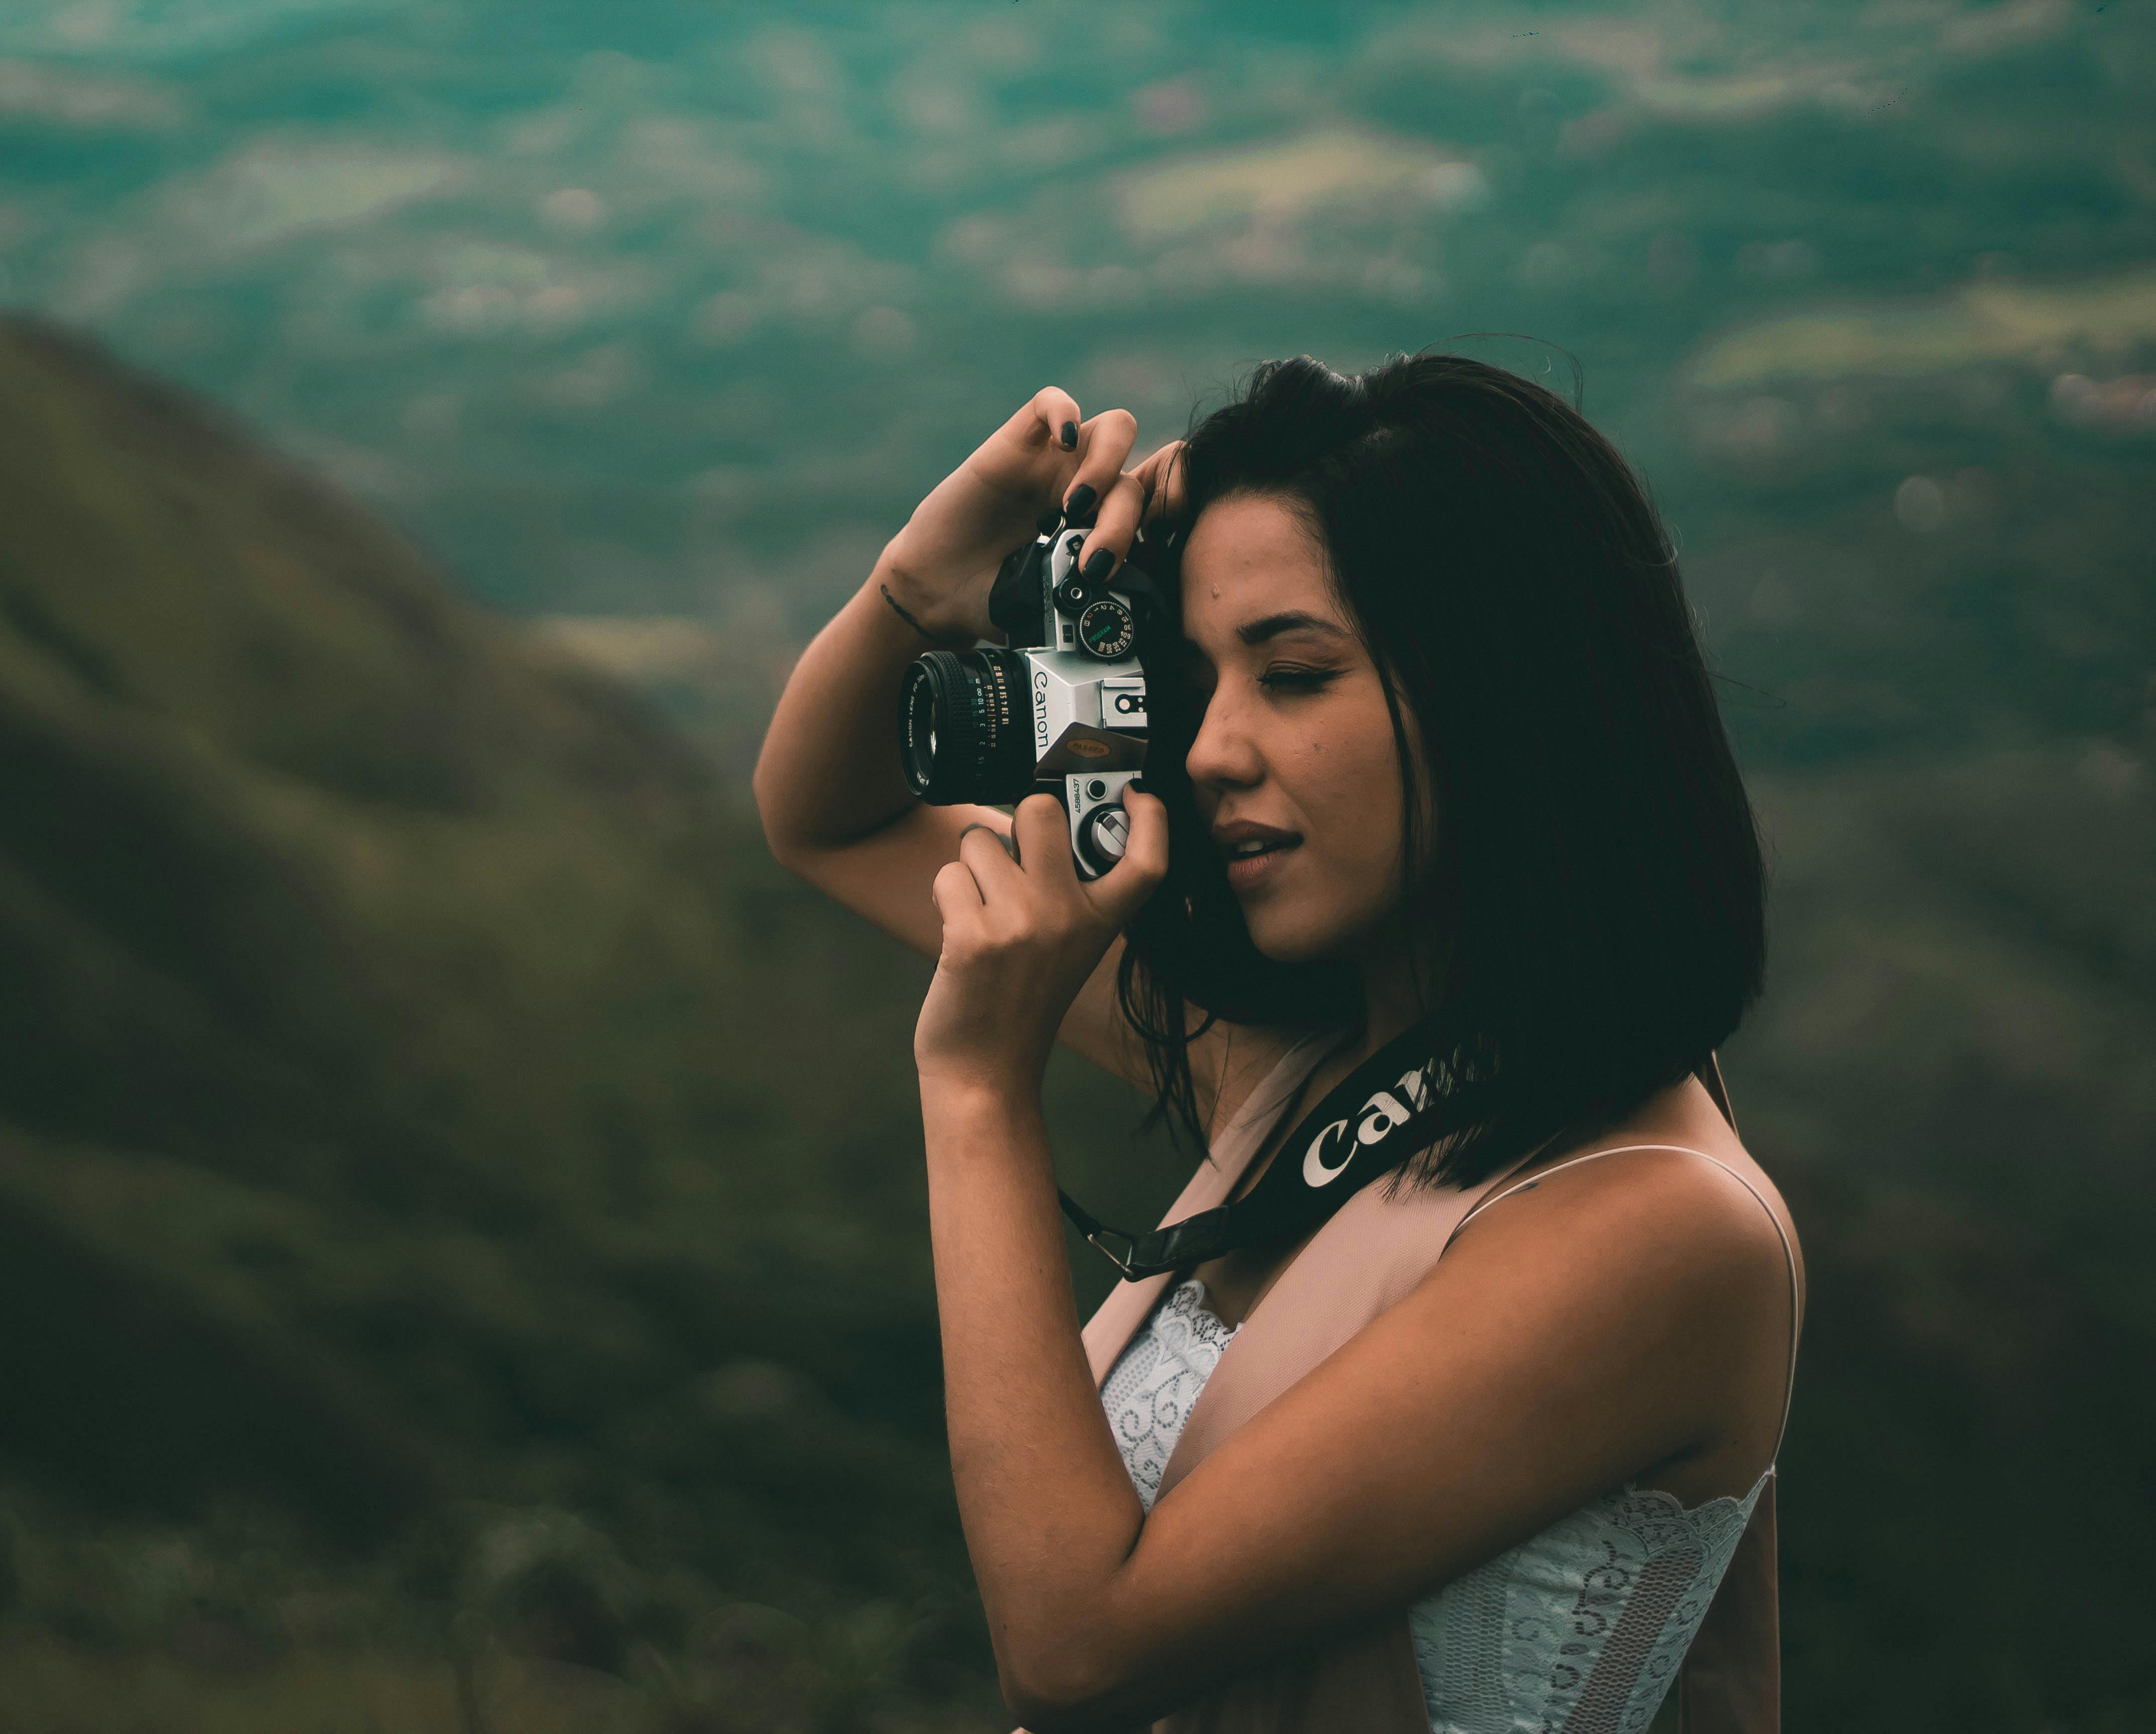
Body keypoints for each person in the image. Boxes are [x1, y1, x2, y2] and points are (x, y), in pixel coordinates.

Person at [752, 352, 1805, 1733]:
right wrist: (920, 590)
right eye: (1201, 681)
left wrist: (975, 1086)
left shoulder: (1655, 1229)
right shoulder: (1318, 1074)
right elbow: (828, 816)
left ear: (1511, 695)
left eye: (1297, 674)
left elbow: (1078, 1650)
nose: (1211, 750)